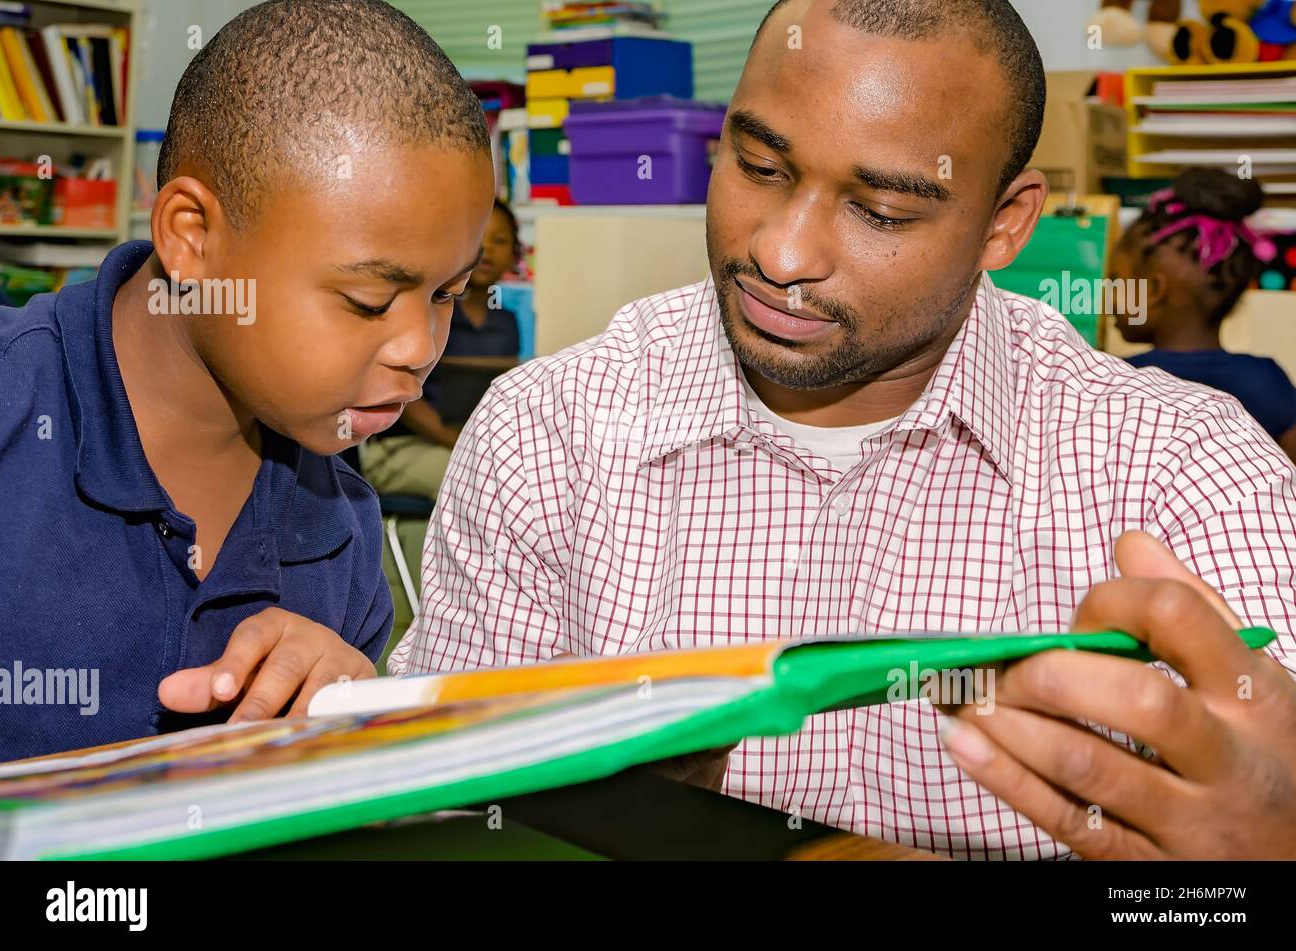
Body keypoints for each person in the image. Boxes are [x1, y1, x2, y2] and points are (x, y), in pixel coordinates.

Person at [392, 0, 1296, 859]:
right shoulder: (549, 432)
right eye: (758, 166)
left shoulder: (1191, 476)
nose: (782, 255)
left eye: (883, 210)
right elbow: (451, 814)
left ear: (1004, 224)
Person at [0, 0, 495, 761]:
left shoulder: (343, 532)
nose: (417, 347)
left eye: (447, 295)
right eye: (367, 300)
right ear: (191, 238)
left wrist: (345, 738)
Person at [1112, 167, 1296, 462]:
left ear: (1156, 290)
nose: (1107, 297)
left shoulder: (1119, 383)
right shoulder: (1266, 381)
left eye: (1115, 282)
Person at [362, 198, 522, 500]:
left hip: (473, 448)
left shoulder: (508, 321)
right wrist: (460, 442)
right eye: (479, 237)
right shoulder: (425, 309)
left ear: (514, 253)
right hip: (402, 448)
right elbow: (406, 399)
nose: (488, 248)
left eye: (500, 240)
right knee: (480, 484)